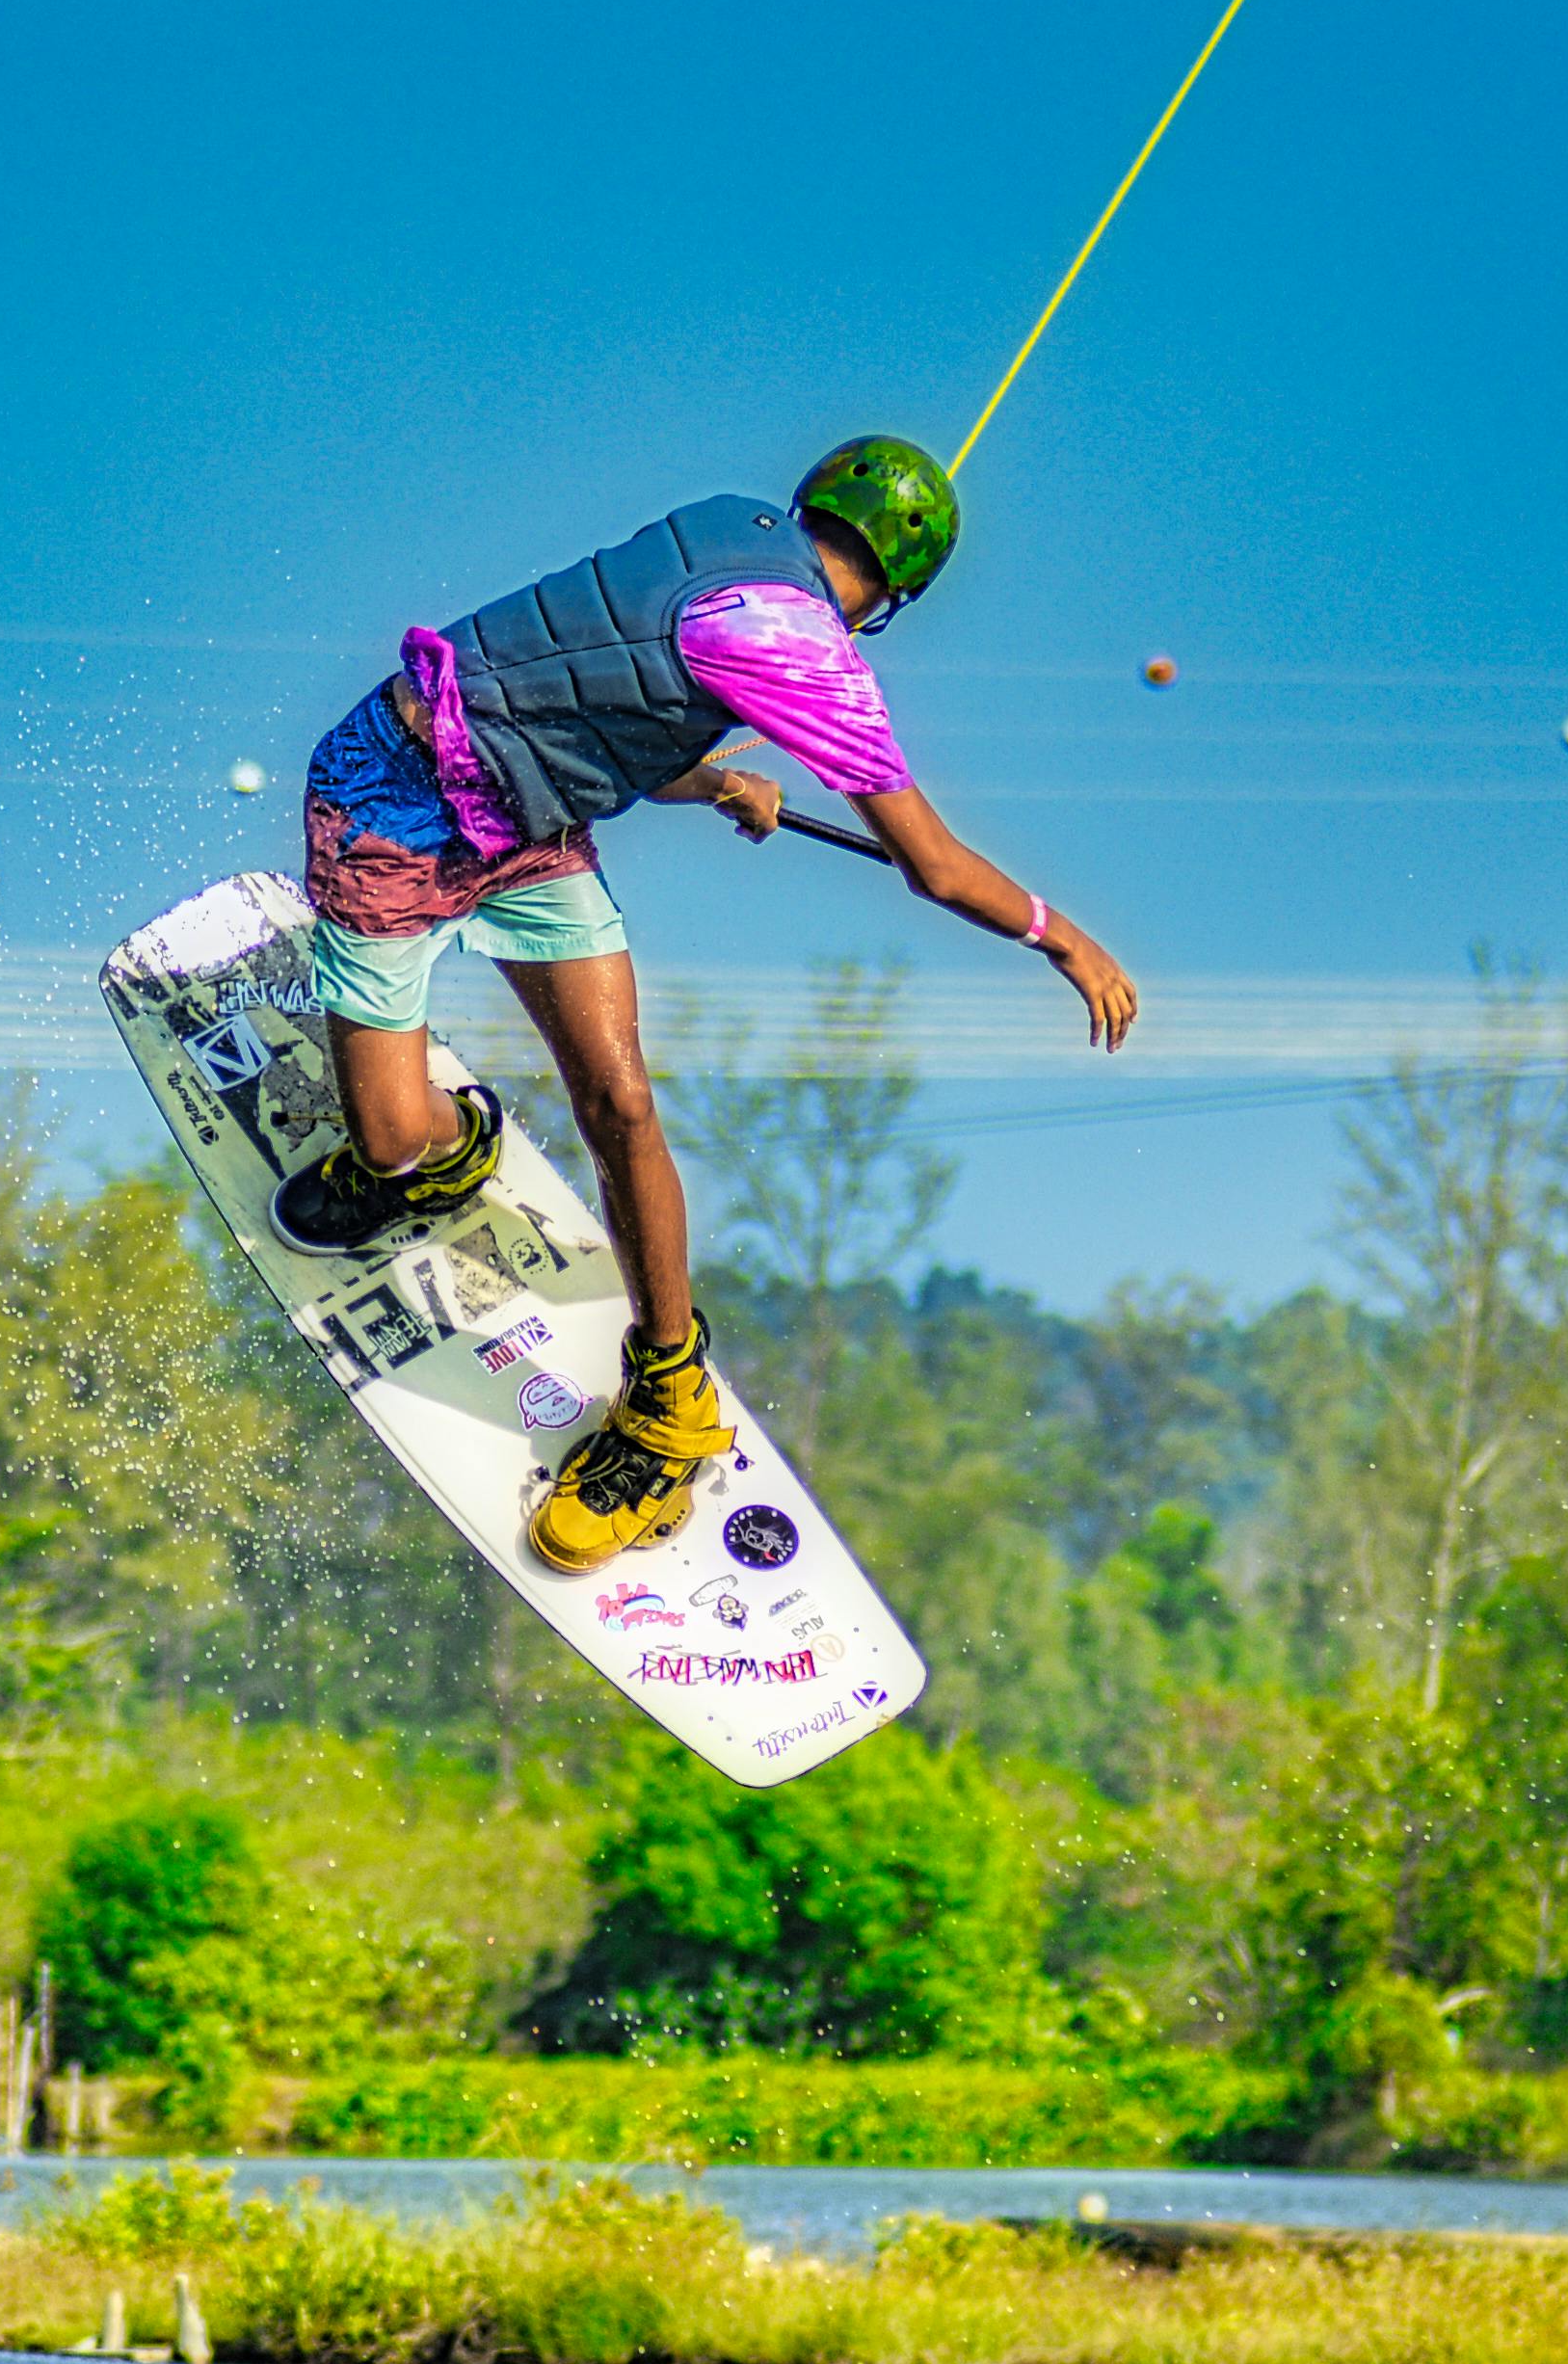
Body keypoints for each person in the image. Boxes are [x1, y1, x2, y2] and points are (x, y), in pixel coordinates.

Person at [271, 438, 1138, 1573]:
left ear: (810, 504)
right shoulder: (806, 655)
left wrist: (723, 777)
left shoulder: (726, 523)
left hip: (529, 830)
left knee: (621, 1098)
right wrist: (1062, 938)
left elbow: (598, 703)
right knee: (391, 1143)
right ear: (902, 593)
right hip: (393, 804)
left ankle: (669, 1397)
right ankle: (441, 1153)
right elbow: (934, 865)